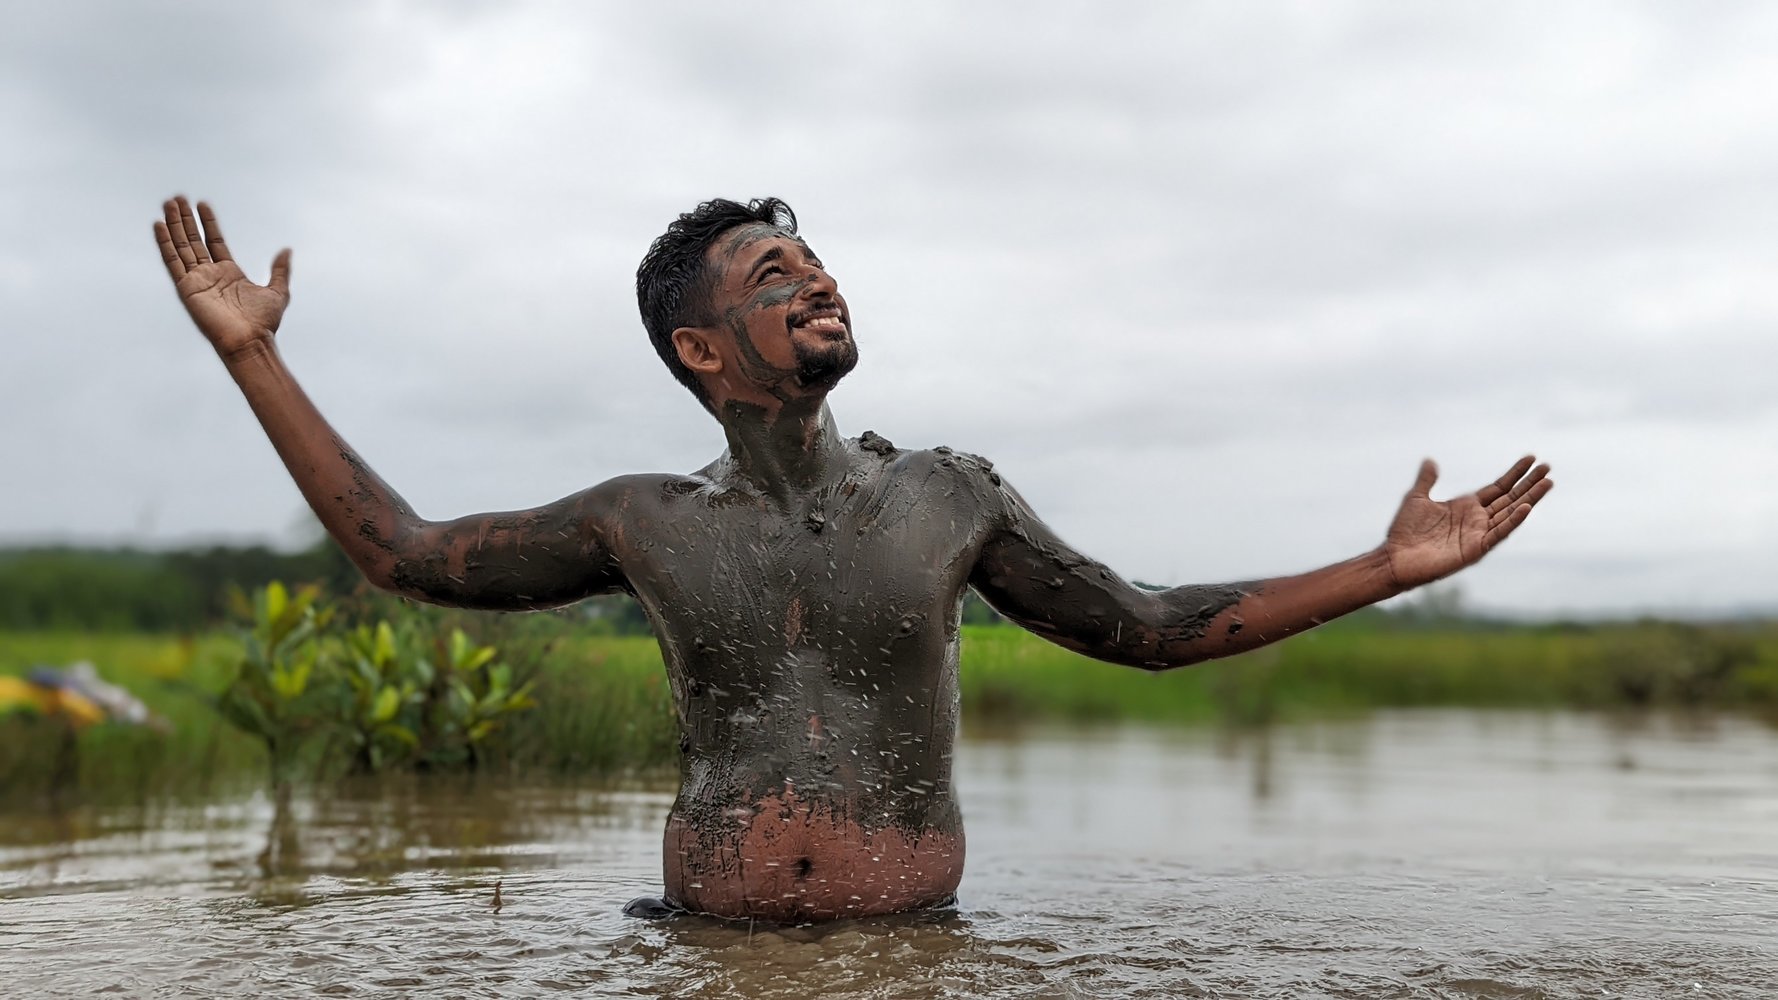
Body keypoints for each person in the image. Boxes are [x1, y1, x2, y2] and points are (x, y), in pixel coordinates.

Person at [153, 195, 1552, 923]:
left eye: (817, 265)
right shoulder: (643, 519)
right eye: (774, 278)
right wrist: (255, 353)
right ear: (701, 353)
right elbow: (402, 553)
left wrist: (1384, 567)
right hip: (699, 959)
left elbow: (1151, 627)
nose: (817, 282)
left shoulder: (949, 496)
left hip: (912, 963)